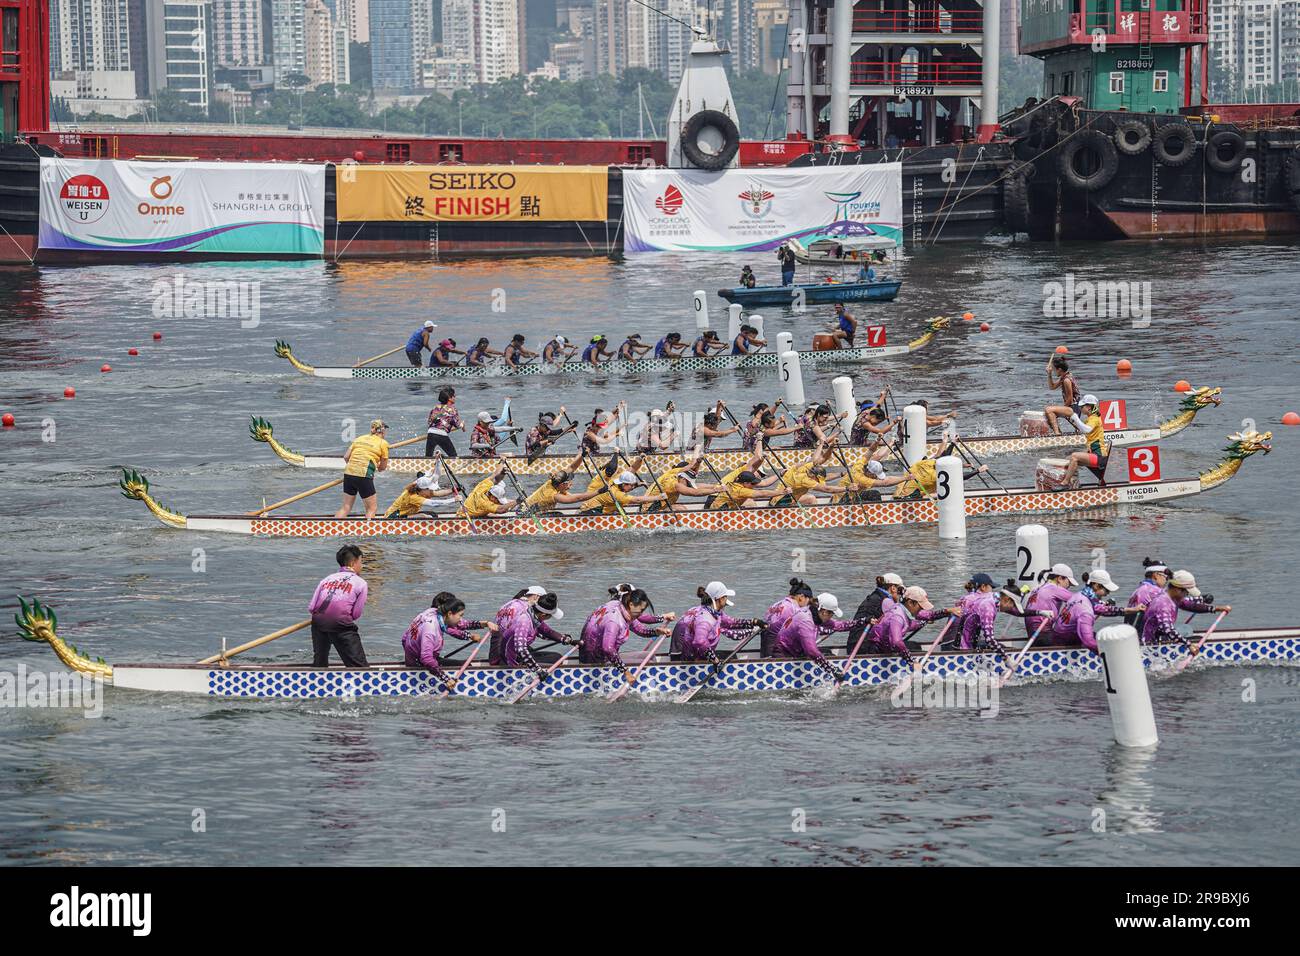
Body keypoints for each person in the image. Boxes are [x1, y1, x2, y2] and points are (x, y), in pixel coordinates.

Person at [402, 592, 497, 688]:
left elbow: (404, 638)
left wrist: (486, 623)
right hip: (420, 665)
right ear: (449, 613)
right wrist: (445, 678)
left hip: (415, 661)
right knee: (467, 666)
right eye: (460, 615)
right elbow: (426, 658)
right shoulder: (431, 628)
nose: (461, 619)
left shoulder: (430, 614)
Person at [578, 588, 673, 680]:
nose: (641, 615)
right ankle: (649, 691)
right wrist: (626, 672)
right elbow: (608, 648)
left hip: (602, 656)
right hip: (595, 662)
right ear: (631, 604)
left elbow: (640, 630)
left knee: (650, 655)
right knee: (648, 663)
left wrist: (657, 631)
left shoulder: (620, 607)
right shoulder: (614, 620)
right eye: (641, 610)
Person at [771, 592, 856, 682]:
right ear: (824, 611)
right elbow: (811, 651)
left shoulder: (813, 613)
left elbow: (838, 625)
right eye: (832, 614)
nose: (832, 617)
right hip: (784, 657)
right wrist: (832, 670)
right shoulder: (806, 620)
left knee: (827, 652)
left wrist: (862, 622)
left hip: (795, 653)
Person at [308, 545, 370, 667]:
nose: (361, 566)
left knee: (320, 663)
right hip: (341, 625)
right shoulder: (361, 583)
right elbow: (356, 614)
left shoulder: (326, 579)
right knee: (360, 667)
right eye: (360, 562)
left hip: (318, 623)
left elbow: (311, 607)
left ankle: (318, 673)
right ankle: (362, 679)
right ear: (353, 562)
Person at [490, 591, 576, 677]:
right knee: (557, 659)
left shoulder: (532, 614)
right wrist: (538, 670)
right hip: (510, 661)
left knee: (556, 656)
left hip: (515, 654)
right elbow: (521, 650)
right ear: (543, 615)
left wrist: (567, 640)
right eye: (551, 616)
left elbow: (546, 632)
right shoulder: (524, 621)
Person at [672, 582, 757, 665]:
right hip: (684, 660)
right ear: (720, 599)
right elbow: (699, 642)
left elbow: (731, 623)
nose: (727, 600)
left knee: (729, 656)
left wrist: (753, 622)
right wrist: (715, 660)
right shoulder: (705, 619)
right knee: (725, 658)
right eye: (726, 597)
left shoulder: (713, 612)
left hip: (689, 653)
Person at [1140, 570, 1230, 646]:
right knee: (1193, 637)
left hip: (1162, 638)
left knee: (1189, 631)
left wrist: (1215, 608)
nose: (1186, 595)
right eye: (1186, 593)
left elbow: (1191, 606)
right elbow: (1168, 630)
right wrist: (1189, 645)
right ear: (1177, 589)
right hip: (1151, 645)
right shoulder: (1163, 604)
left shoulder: (1172, 597)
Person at [865, 585, 950, 664]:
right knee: (916, 650)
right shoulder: (897, 616)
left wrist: (947, 612)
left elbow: (928, 616)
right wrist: (911, 661)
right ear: (910, 603)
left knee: (915, 647)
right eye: (920, 607)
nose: (922, 610)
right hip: (877, 652)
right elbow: (897, 641)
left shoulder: (904, 611)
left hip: (887, 649)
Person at [336, 419, 389, 519]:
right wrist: (377, 467)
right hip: (363, 475)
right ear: (382, 431)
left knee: (346, 507)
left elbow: (346, 457)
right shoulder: (383, 443)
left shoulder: (359, 438)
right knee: (371, 508)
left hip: (348, 473)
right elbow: (383, 467)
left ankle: (333, 527)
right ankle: (368, 531)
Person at [846, 572, 904, 651]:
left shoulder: (875, 597)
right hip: (865, 648)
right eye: (900, 590)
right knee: (913, 646)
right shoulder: (885, 601)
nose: (901, 595)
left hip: (853, 646)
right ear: (893, 588)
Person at [1061, 395, 1111, 485]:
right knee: (1067, 459)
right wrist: (1070, 417)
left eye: (1082, 406)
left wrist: (1075, 417)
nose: (1080, 408)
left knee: (1074, 456)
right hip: (1093, 453)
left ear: (1088, 407)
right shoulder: (1090, 419)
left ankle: (1065, 483)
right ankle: (1073, 483)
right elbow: (1080, 427)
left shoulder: (1094, 418)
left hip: (1099, 456)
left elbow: (1087, 429)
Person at [523, 459, 602, 514]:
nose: (571, 485)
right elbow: (578, 498)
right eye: (569, 483)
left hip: (524, 506)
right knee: (558, 515)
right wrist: (599, 491)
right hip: (526, 513)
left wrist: (582, 455)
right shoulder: (554, 496)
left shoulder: (553, 481)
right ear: (562, 484)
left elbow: (572, 467)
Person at [1021, 564, 1077, 638]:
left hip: (1032, 634)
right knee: (1082, 636)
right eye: (1069, 583)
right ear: (1060, 578)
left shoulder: (1037, 588)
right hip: (1043, 634)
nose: (1069, 586)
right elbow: (1080, 600)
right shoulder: (1054, 588)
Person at [579, 469, 669, 514]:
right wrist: (658, 497)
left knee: (620, 510)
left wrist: (638, 484)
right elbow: (637, 500)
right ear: (623, 484)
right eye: (632, 485)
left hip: (590, 507)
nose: (633, 487)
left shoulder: (614, 481)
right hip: (592, 512)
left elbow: (632, 468)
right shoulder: (618, 495)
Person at [762, 578, 814, 656]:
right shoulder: (795, 609)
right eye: (808, 601)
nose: (808, 605)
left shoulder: (777, 604)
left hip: (765, 646)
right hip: (778, 651)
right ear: (801, 597)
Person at [1044, 354, 1087, 435]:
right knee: (1048, 414)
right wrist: (1049, 374)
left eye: (1054, 370)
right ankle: (1059, 432)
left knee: (1048, 410)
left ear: (1059, 369)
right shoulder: (1064, 377)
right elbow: (1052, 387)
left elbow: (1070, 400)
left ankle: (1057, 434)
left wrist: (1061, 409)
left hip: (1074, 408)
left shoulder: (1066, 380)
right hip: (1071, 407)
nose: (1053, 371)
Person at [383, 471, 454, 518]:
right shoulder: (413, 497)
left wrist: (453, 490)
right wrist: (454, 499)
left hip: (403, 514)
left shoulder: (417, 488)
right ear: (423, 489)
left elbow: (438, 493)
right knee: (424, 516)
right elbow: (434, 503)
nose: (431, 490)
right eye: (429, 489)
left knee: (433, 514)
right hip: (392, 517)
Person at [1125, 558, 1169, 633]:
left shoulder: (1139, 589)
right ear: (1156, 575)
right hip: (1144, 635)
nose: (1167, 580)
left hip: (1132, 633)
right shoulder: (1153, 591)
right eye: (1166, 576)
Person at [426, 387, 464, 457]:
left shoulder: (435, 407)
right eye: (454, 396)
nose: (455, 397)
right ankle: (453, 465)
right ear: (449, 398)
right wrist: (462, 425)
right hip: (441, 434)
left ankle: (427, 466)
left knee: (428, 457)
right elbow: (458, 425)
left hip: (430, 432)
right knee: (453, 455)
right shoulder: (452, 409)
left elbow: (429, 422)